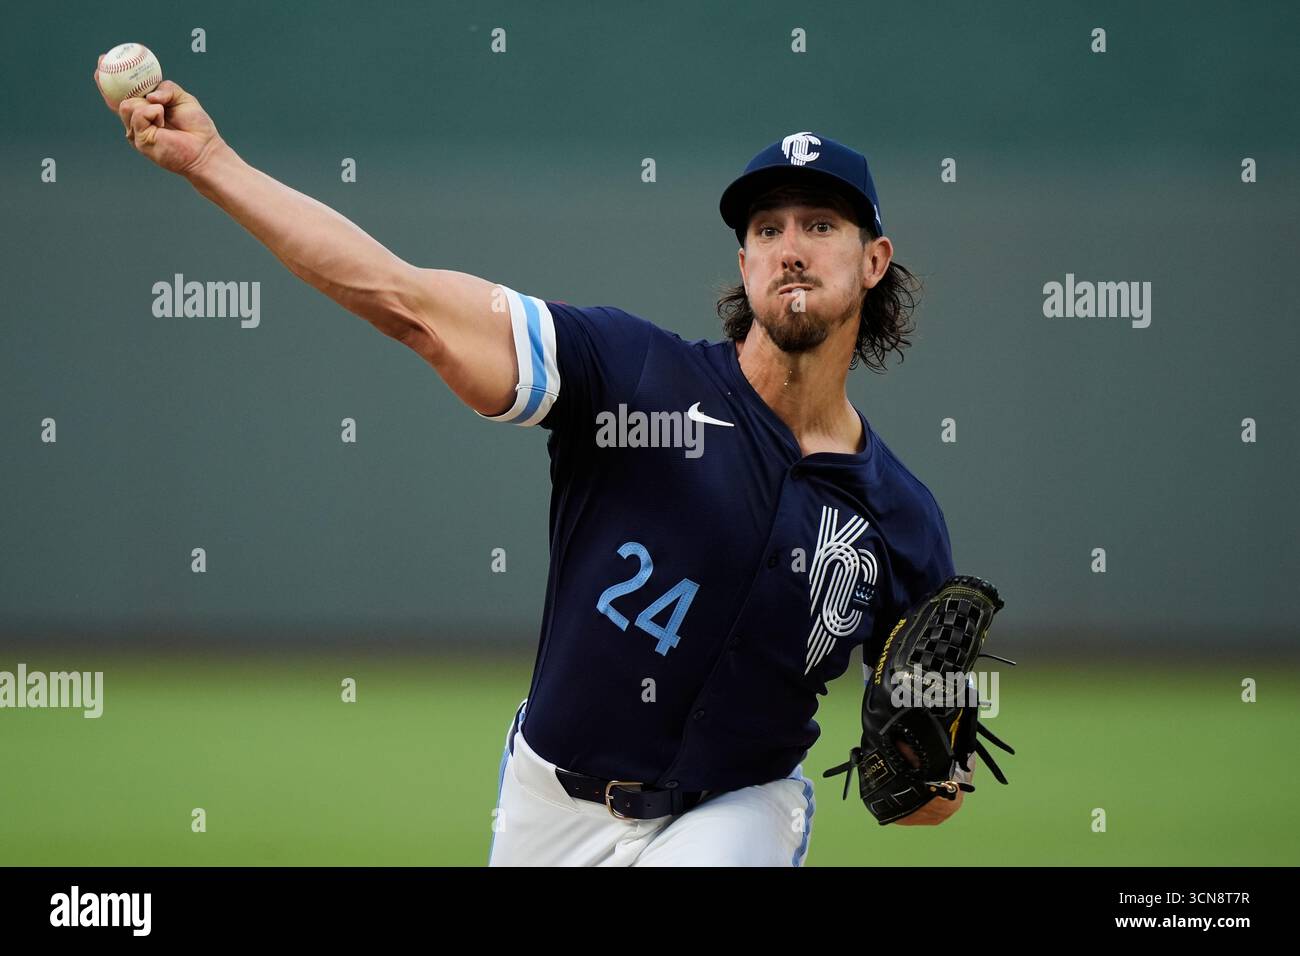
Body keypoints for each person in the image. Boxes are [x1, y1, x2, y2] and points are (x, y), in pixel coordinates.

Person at [97, 62, 967, 865]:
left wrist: (930, 771)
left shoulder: (900, 519)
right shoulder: (635, 376)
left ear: (873, 261)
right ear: (743, 261)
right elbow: (402, 297)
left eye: (821, 224)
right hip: (549, 805)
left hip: (738, 808)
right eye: (767, 227)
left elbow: (933, 793)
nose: (791, 245)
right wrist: (211, 161)